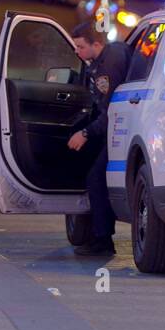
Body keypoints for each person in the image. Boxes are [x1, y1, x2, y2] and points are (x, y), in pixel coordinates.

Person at [66, 22, 131, 256]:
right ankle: (99, 235)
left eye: (80, 47)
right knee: (92, 172)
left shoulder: (110, 65)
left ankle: (103, 241)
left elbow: (110, 112)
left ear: (96, 44)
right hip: (116, 129)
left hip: (121, 130)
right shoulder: (102, 60)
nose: (77, 52)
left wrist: (85, 133)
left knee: (96, 177)